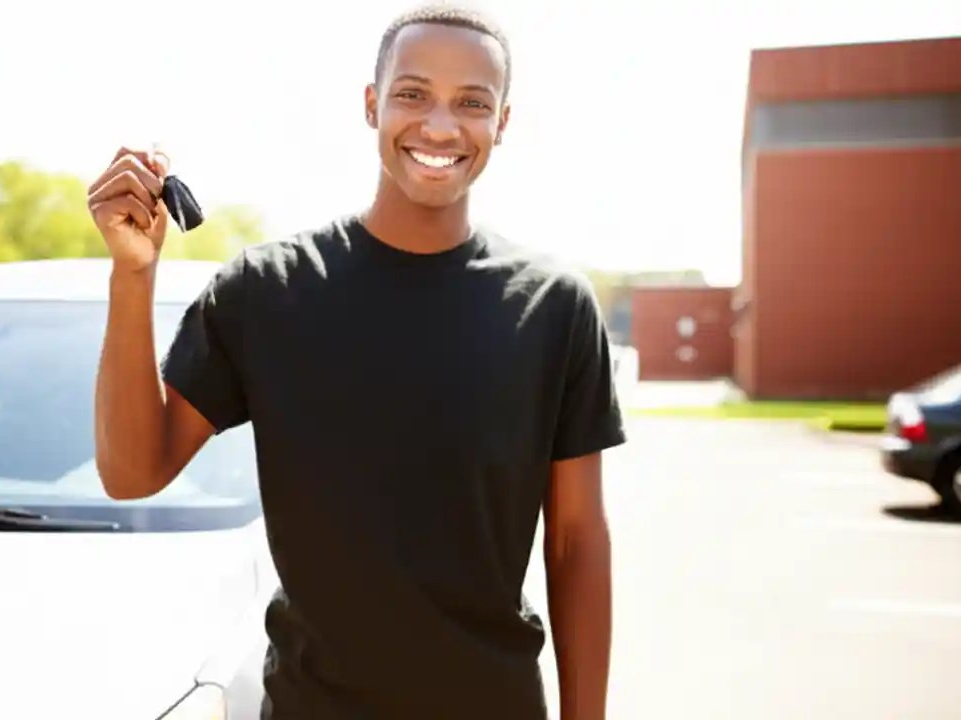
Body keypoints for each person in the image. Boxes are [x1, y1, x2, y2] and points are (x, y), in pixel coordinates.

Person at [87, 5, 625, 719]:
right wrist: (133, 276)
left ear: (501, 123)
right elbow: (132, 472)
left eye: (472, 103)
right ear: (372, 105)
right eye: (413, 93)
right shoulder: (267, 291)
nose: (439, 125)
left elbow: (577, 541)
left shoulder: (554, 307)